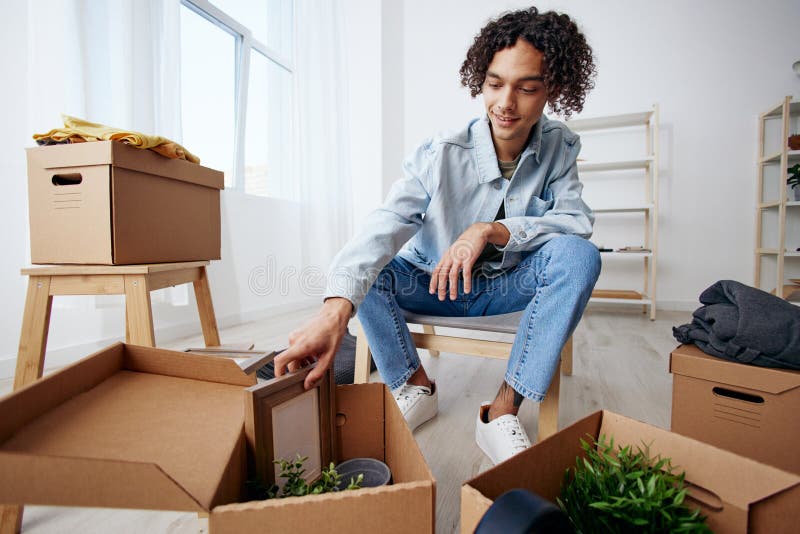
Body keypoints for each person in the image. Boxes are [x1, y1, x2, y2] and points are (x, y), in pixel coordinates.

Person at [274, 6, 600, 465]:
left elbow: (576, 221)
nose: (506, 103)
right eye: (494, 84)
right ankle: (414, 385)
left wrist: (491, 230)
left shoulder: (560, 148)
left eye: (527, 88)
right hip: (432, 284)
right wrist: (334, 311)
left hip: (505, 288)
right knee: (374, 267)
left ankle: (502, 411)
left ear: (554, 89)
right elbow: (386, 223)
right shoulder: (440, 151)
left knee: (580, 256)